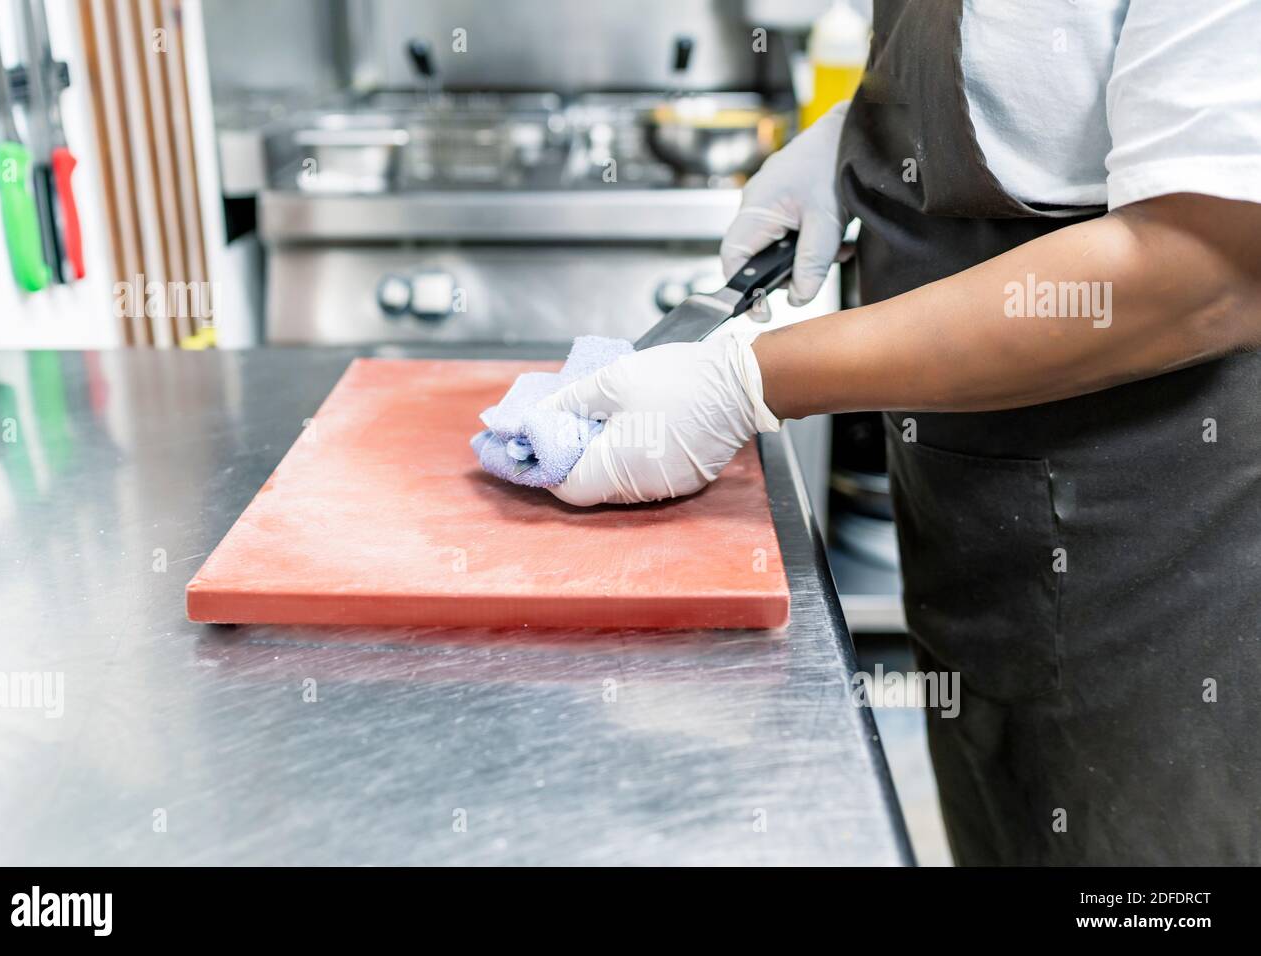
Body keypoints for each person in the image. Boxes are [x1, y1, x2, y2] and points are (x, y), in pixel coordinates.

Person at [540, 0, 1261, 865]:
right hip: (973, 514)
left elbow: (1201, 270)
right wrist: (864, 137)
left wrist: (752, 379)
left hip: (1151, 548)